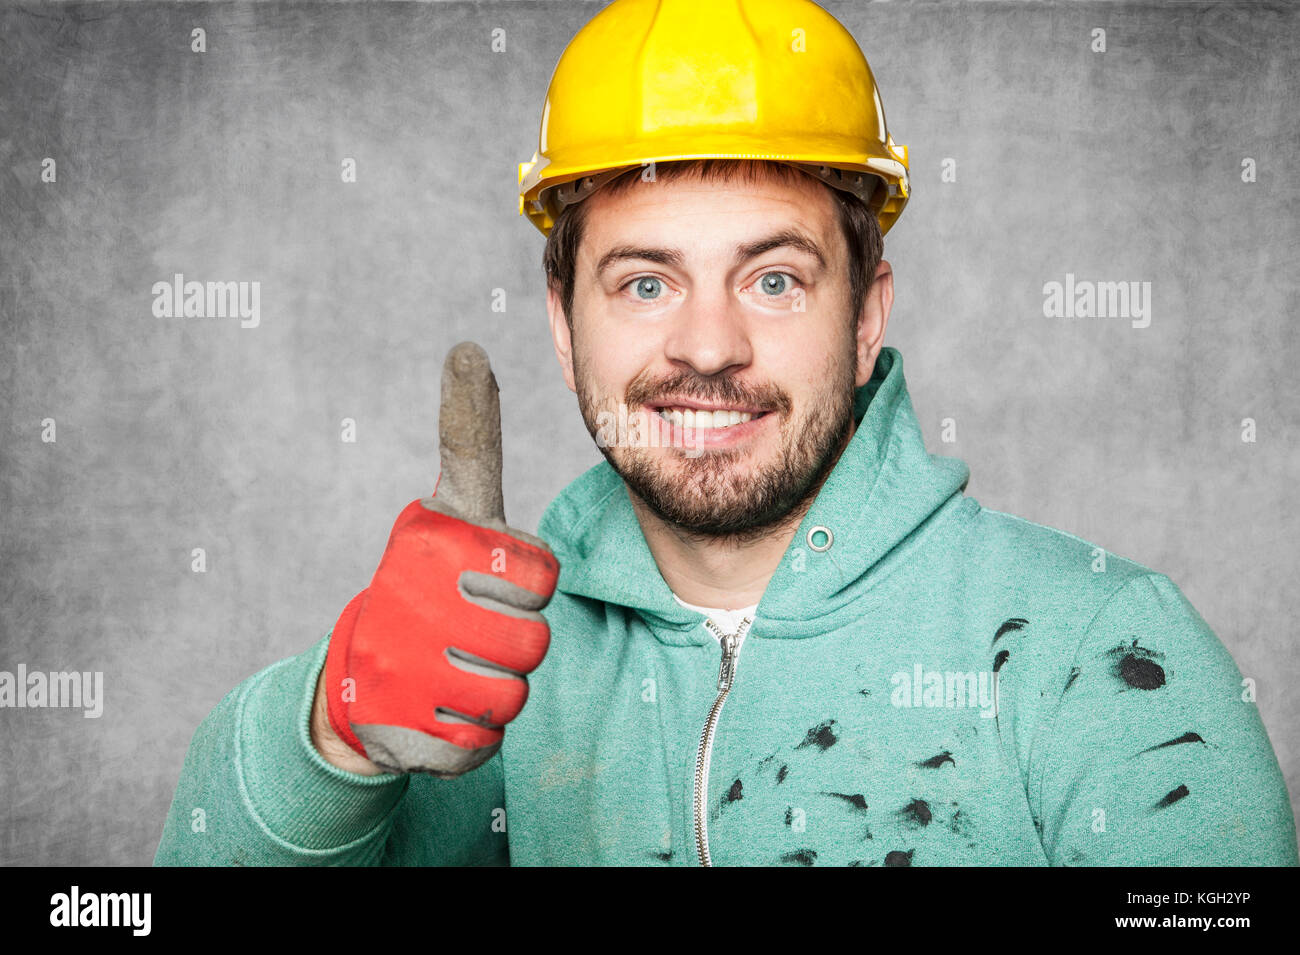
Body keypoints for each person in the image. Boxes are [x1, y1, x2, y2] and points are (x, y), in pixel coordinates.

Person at [154, 0, 1297, 867]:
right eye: (645, 284)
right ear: (563, 324)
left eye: (775, 279)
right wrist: (331, 726)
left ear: (867, 317)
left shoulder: (1096, 648)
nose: (707, 346)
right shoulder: (491, 670)